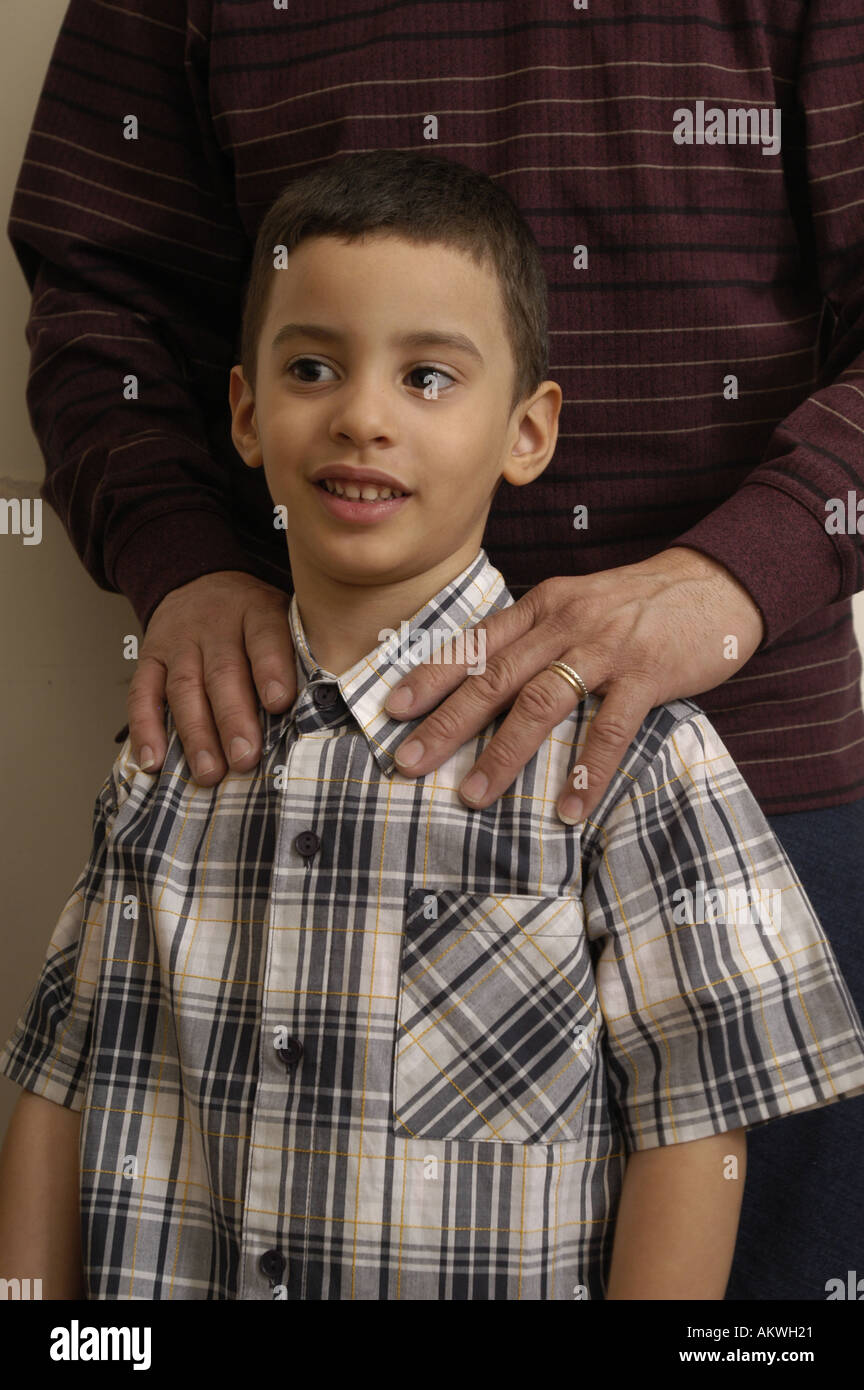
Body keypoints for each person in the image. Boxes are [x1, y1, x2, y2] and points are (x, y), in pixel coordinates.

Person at [5, 1, 864, 1299]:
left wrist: (743, 567)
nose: (364, 416)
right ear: (253, 407)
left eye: (424, 377)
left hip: (763, 778)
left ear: (531, 427)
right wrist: (175, 554)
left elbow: (702, 1133)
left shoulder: (655, 775)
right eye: (314, 369)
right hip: (248, 691)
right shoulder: (169, 766)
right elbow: (102, 285)